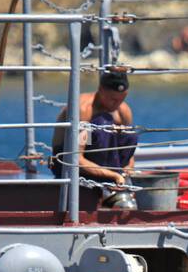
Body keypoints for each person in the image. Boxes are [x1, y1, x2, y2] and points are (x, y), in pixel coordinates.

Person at [50, 68, 137, 196]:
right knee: (102, 123)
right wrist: (113, 175)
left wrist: (128, 168)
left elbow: (128, 151)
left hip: (108, 166)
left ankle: (116, 186)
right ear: (101, 90)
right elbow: (76, 158)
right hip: (67, 161)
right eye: (112, 99)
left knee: (130, 135)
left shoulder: (122, 111)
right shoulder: (84, 111)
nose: (116, 104)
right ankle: (108, 184)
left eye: (121, 99)